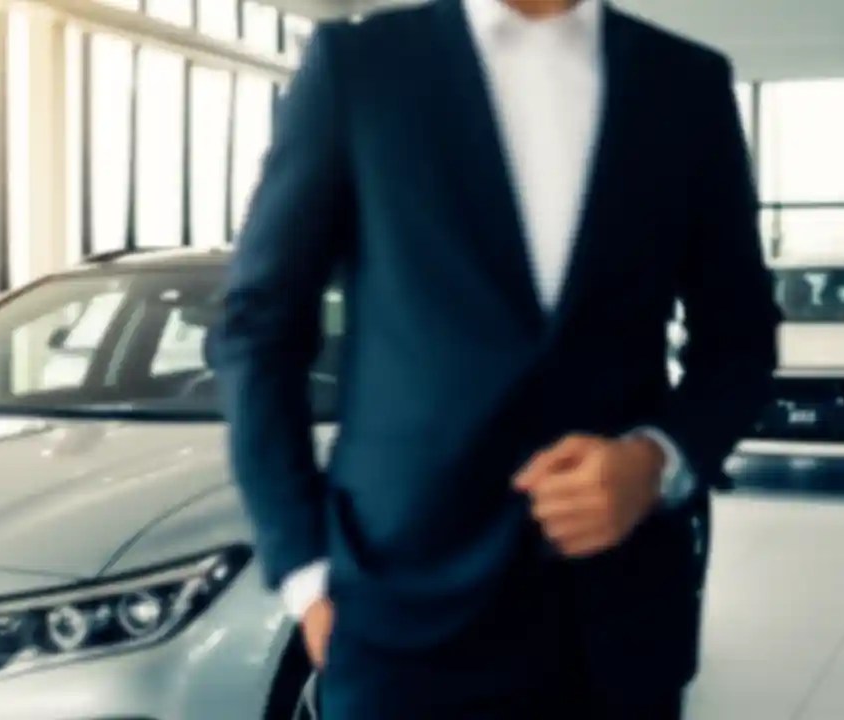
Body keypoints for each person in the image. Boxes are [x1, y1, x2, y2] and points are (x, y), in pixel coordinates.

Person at [215, 0, 779, 717]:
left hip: (616, 620)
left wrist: (656, 460)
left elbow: (741, 336)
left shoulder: (684, 84)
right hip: (397, 610)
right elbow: (259, 329)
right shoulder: (360, 69)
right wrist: (303, 571)